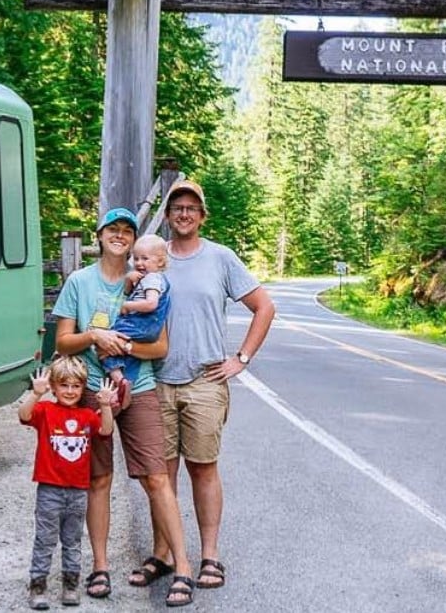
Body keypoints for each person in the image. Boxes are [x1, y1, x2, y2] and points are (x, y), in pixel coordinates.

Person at [52, 207, 197, 607]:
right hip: (89, 392)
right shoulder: (80, 282)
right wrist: (96, 334)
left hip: (142, 387)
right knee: (98, 479)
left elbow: (161, 347)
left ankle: (182, 566)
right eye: (112, 229)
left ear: (135, 241)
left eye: (126, 231)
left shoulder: (150, 283)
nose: (119, 236)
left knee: (156, 477)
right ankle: (99, 566)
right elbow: (62, 342)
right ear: (99, 236)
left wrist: (125, 345)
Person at [146, 179, 275, 590]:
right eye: (177, 207)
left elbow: (264, 306)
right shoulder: (153, 256)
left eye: (191, 208)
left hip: (205, 379)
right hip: (157, 379)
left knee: (203, 469)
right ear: (167, 215)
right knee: (160, 475)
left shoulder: (220, 258)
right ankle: (162, 553)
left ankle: (209, 556)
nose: (184, 214)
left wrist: (241, 359)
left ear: (202, 216)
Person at [18, 357, 116, 609]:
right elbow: (24, 415)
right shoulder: (45, 411)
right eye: (64, 385)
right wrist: (36, 394)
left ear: (83, 388)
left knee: (73, 540)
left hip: (78, 490)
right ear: (53, 386)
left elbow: (105, 431)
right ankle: (38, 586)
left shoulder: (86, 415)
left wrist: (105, 406)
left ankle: (70, 585)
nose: (70, 391)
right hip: (50, 488)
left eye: (75, 386)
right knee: (45, 539)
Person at [101, 234, 171, 408]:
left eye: (145, 259)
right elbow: (127, 291)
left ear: (160, 262)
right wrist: (128, 280)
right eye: (136, 258)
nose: (139, 263)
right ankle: (125, 387)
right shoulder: (145, 278)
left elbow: (151, 304)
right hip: (144, 324)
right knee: (130, 358)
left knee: (105, 342)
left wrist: (127, 306)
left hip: (142, 323)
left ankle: (118, 378)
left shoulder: (153, 279)